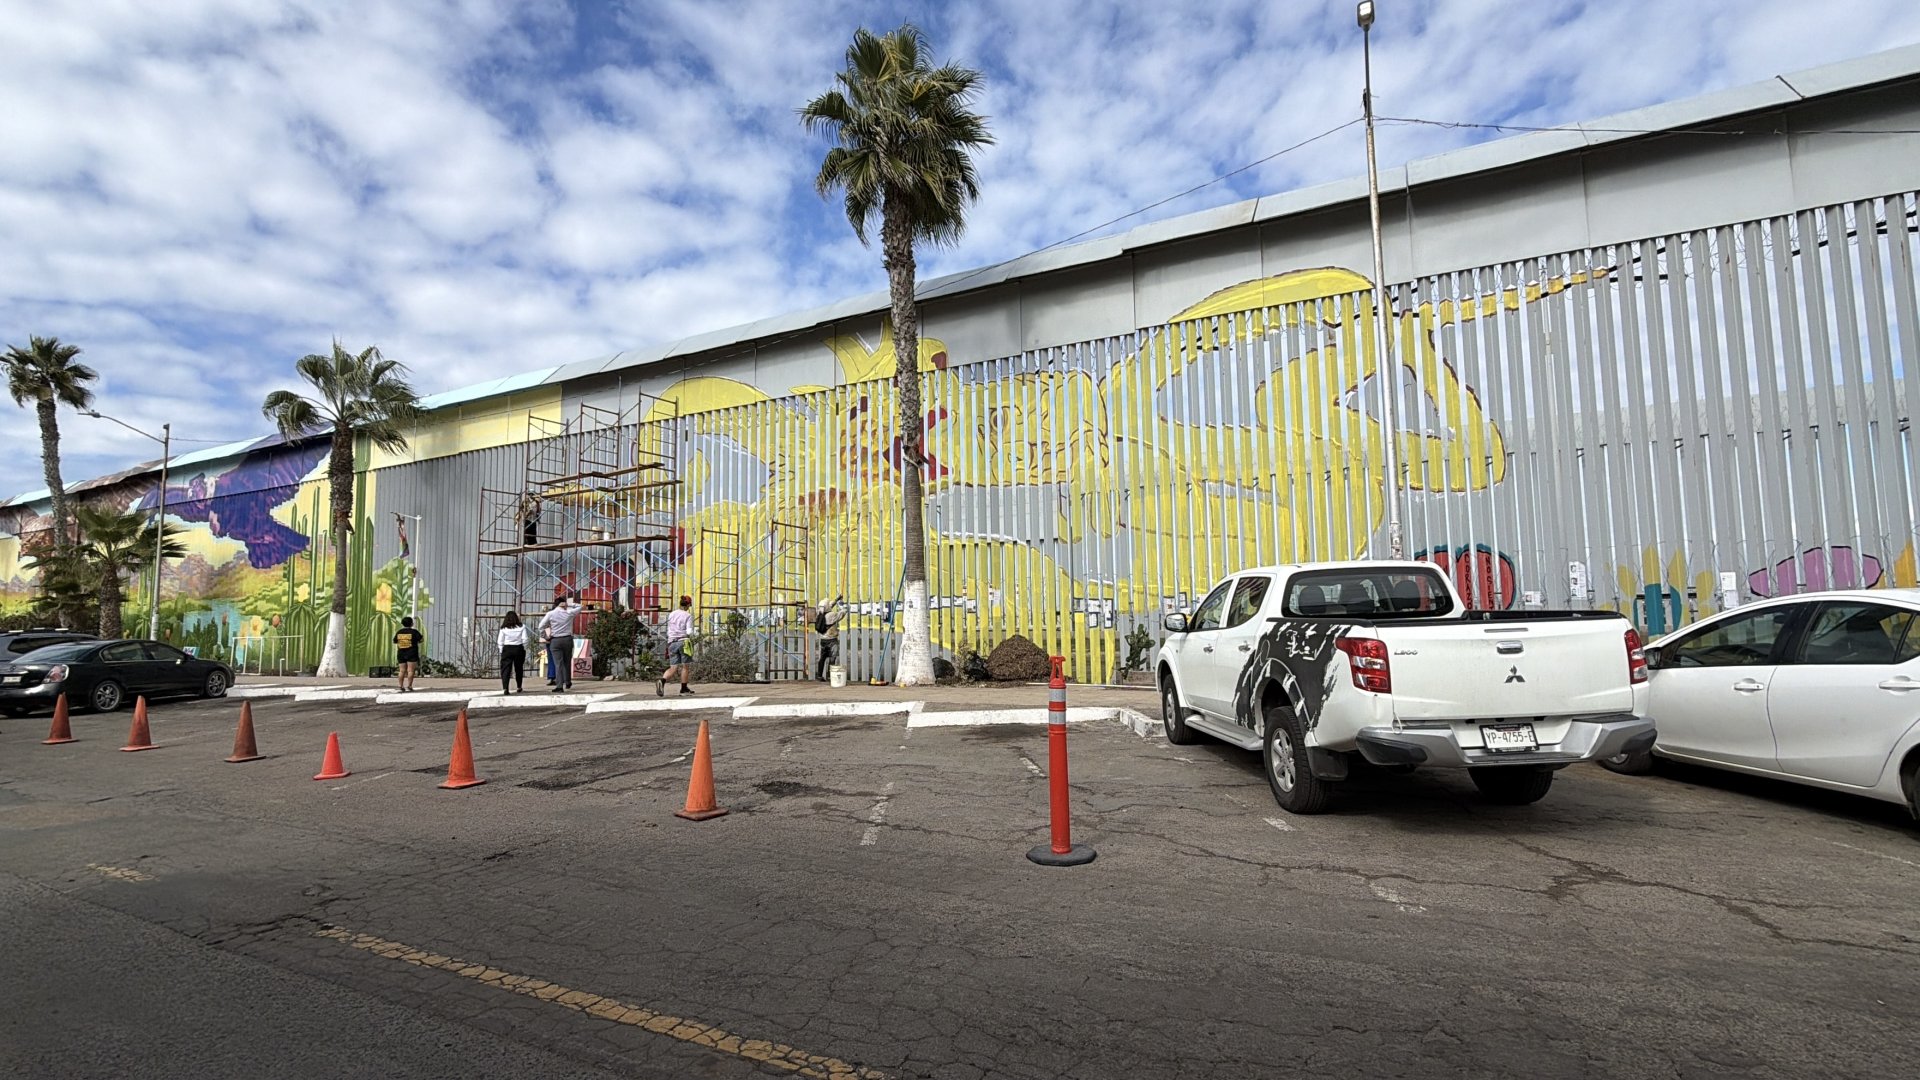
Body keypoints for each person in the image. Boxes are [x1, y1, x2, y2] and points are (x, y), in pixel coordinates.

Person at [539, 594, 582, 692]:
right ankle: (567, 681)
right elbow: (580, 606)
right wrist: (570, 604)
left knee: (558, 663)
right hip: (567, 639)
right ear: (563, 604)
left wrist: (545, 636)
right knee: (567, 662)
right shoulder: (569, 613)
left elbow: (540, 626)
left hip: (555, 640)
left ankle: (559, 685)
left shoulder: (550, 614)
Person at [657, 595, 695, 697]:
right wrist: (693, 634)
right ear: (687, 605)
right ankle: (683, 689)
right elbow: (689, 631)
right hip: (683, 642)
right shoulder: (688, 615)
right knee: (685, 666)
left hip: (671, 642)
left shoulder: (672, 614)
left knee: (673, 667)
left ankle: (662, 680)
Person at [814, 595, 846, 682]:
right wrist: (841, 604)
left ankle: (819, 675)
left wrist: (836, 599)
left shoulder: (819, 613)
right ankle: (830, 676)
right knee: (833, 658)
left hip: (823, 640)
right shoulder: (831, 615)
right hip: (832, 640)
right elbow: (842, 613)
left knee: (822, 658)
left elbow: (829, 606)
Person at [498, 611, 527, 693]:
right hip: (518, 648)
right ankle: (519, 686)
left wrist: (501, 650)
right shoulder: (522, 627)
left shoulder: (503, 628)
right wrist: (524, 648)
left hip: (507, 648)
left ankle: (505, 688)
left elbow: (500, 641)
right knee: (519, 668)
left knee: (506, 669)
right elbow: (525, 639)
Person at [392, 616, 423, 692]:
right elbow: (421, 639)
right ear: (412, 623)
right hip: (412, 652)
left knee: (402, 670)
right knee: (410, 670)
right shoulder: (414, 632)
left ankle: (400, 686)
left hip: (401, 653)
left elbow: (395, 641)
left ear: (402, 624)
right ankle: (409, 686)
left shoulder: (399, 632)